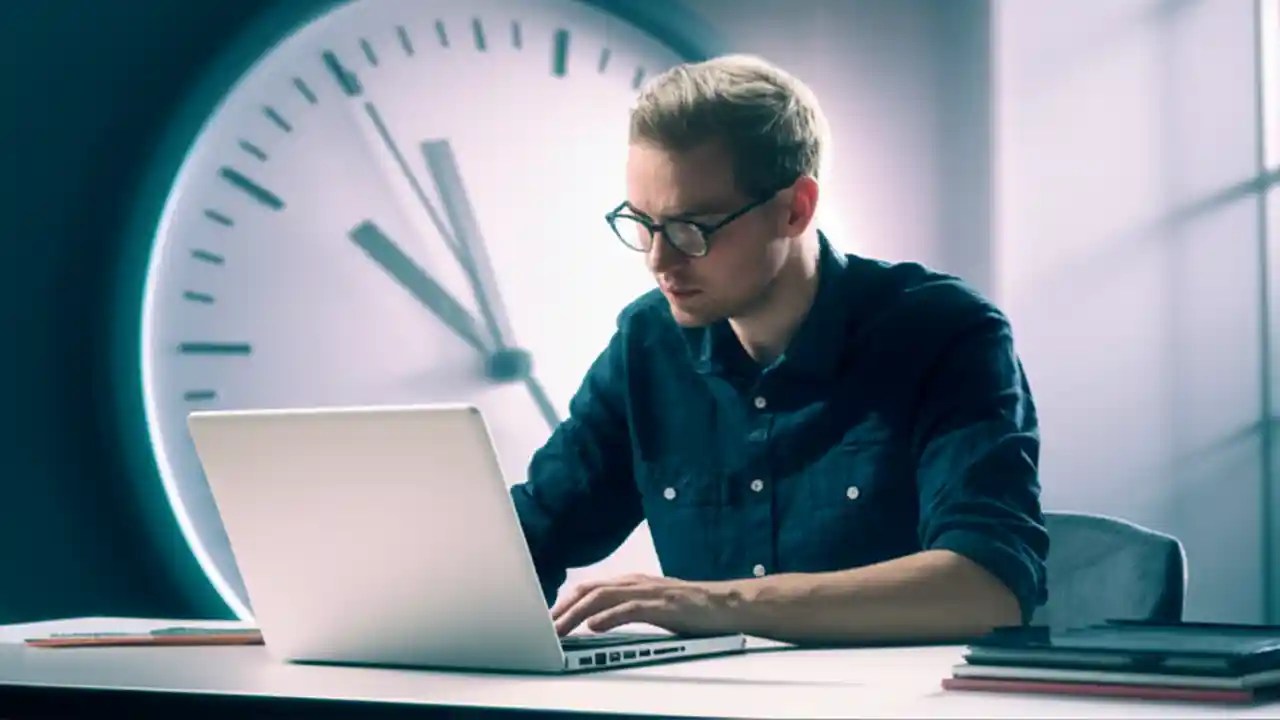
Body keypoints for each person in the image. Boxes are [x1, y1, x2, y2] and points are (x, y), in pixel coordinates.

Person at [508, 54, 1048, 645]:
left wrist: (720, 605)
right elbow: (533, 536)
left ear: (796, 209)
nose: (659, 261)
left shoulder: (947, 333)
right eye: (643, 223)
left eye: (694, 228)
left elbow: (987, 587)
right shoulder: (648, 343)